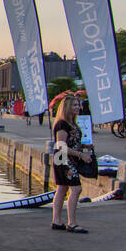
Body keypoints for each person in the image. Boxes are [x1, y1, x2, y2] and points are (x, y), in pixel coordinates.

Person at [50, 95, 91, 233]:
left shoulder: (72, 123)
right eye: (74, 105)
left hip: (68, 158)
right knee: (76, 188)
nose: (78, 107)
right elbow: (61, 145)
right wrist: (81, 155)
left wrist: (85, 146)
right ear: (67, 107)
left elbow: (71, 142)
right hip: (62, 159)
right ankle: (71, 223)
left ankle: (57, 221)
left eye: (78, 105)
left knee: (62, 189)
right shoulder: (62, 124)